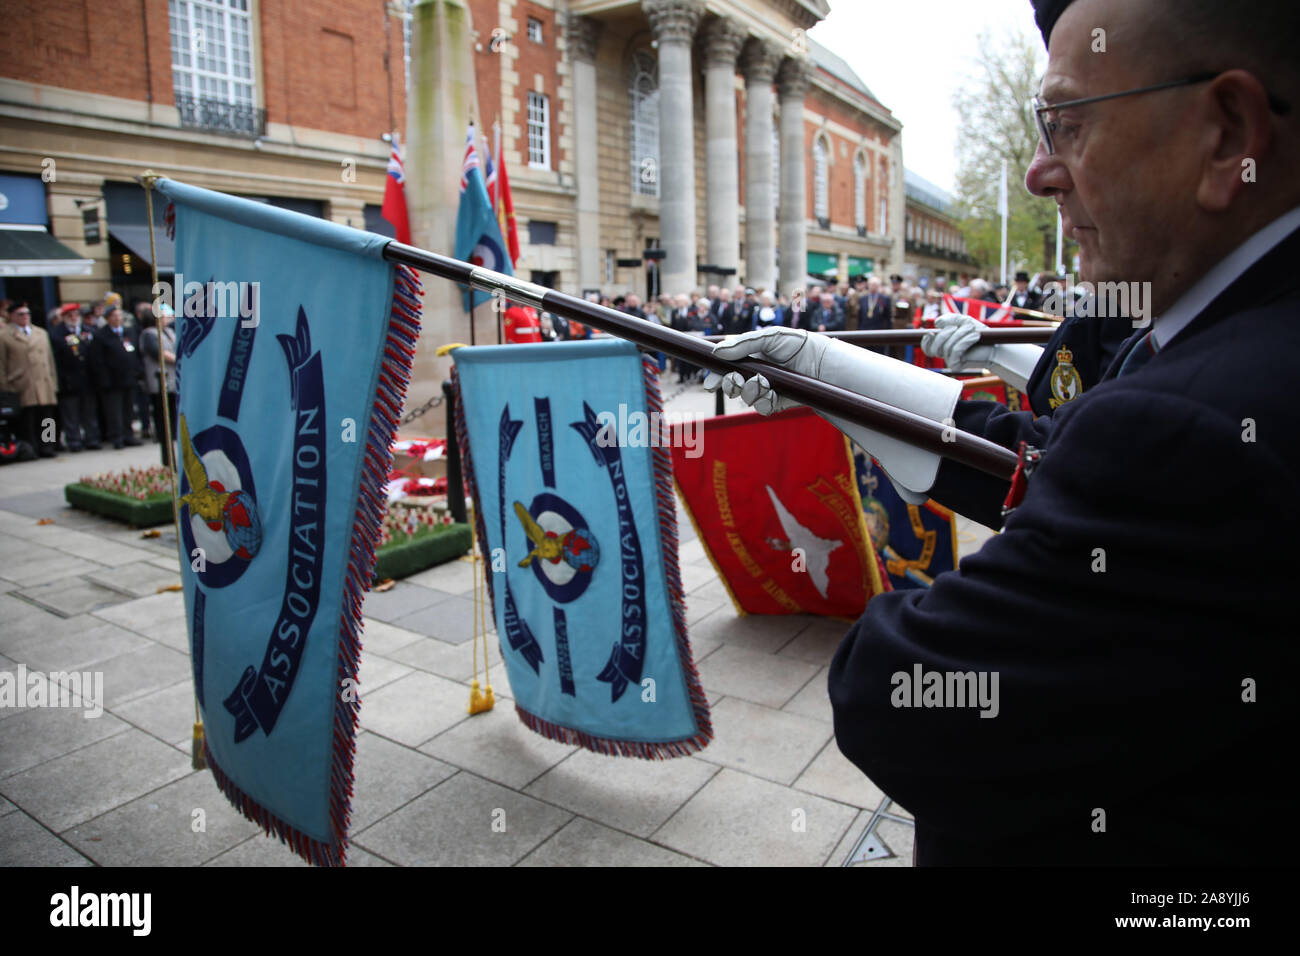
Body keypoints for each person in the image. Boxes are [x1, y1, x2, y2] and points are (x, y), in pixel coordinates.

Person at [707, 0, 1300, 865]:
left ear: (1226, 134)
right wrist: (832, 373)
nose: (1038, 173)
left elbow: (892, 698)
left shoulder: (1186, 433)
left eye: (1068, 126)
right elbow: (1045, 449)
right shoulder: (1215, 349)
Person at [0, 303, 59, 457]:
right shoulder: (4, 336)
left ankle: (48, 447)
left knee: (48, 419)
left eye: (27, 313)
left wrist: (53, 381)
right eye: (20, 314)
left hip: (43, 381)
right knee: (27, 420)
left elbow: (50, 360)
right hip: (22, 383)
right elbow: (1, 364)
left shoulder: (40, 333)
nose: (25, 316)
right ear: (12, 316)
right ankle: (30, 449)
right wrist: (5, 385)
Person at [50, 303, 101, 452]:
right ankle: (74, 441)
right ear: (64, 318)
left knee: (89, 412)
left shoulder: (88, 331)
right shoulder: (56, 334)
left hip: (88, 379)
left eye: (76, 315)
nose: (74, 318)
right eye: (70, 316)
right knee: (71, 414)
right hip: (69, 380)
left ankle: (92, 438)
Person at [91, 306, 143, 449]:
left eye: (119, 315)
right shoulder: (101, 335)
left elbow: (135, 352)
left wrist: (138, 371)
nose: (118, 318)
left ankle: (129, 435)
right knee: (115, 412)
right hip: (112, 381)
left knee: (129, 410)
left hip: (129, 378)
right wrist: (104, 380)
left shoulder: (128, 332)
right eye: (114, 316)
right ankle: (117, 437)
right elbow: (98, 360)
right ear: (108, 318)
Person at [139, 304, 177, 465]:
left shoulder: (169, 331)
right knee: (164, 420)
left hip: (174, 381)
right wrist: (179, 359)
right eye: (161, 315)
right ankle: (167, 459)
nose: (165, 318)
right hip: (160, 381)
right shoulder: (148, 334)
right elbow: (159, 353)